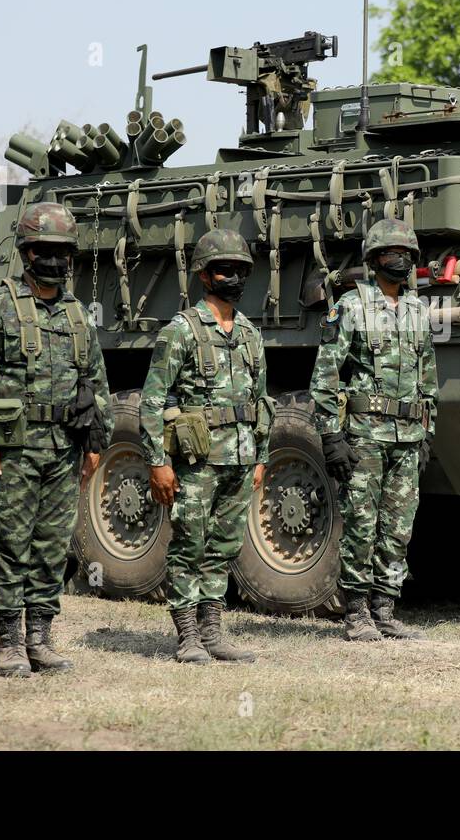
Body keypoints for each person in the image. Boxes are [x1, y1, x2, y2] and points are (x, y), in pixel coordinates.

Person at [0, 201, 111, 677]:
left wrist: (93, 443)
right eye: (44, 250)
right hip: (14, 453)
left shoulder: (78, 316)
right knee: (12, 546)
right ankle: (9, 642)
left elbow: (97, 384)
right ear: (26, 252)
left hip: (64, 452)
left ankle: (40, 637)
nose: (55, 260)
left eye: (62, 252)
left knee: (50, 547)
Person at [140, 228, 272, 665]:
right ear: (204, 275)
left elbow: (261, 402)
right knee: (189, 545)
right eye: (223, 270)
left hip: (240, 457)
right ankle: (188, 636)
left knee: (223, 546)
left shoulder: (251, 334)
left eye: (239, 270)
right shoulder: (181, 331)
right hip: (197, 462)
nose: (232, 277)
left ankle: (214, 632)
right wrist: (158, 463)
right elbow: (153, 400)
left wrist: (262, 456)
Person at [309, 218, 437, 642]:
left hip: (407, 438)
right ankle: (356, 613)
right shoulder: (350, 306)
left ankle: (385, 608)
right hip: (365, 436)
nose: (398, 260)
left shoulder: (419, 311)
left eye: (404, 254)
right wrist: (331, 436)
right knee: (361, 525)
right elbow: (326, 375)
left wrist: (427, 432)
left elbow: (429, 379)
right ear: (374, 260)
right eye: (389, 254)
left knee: (398, 527)